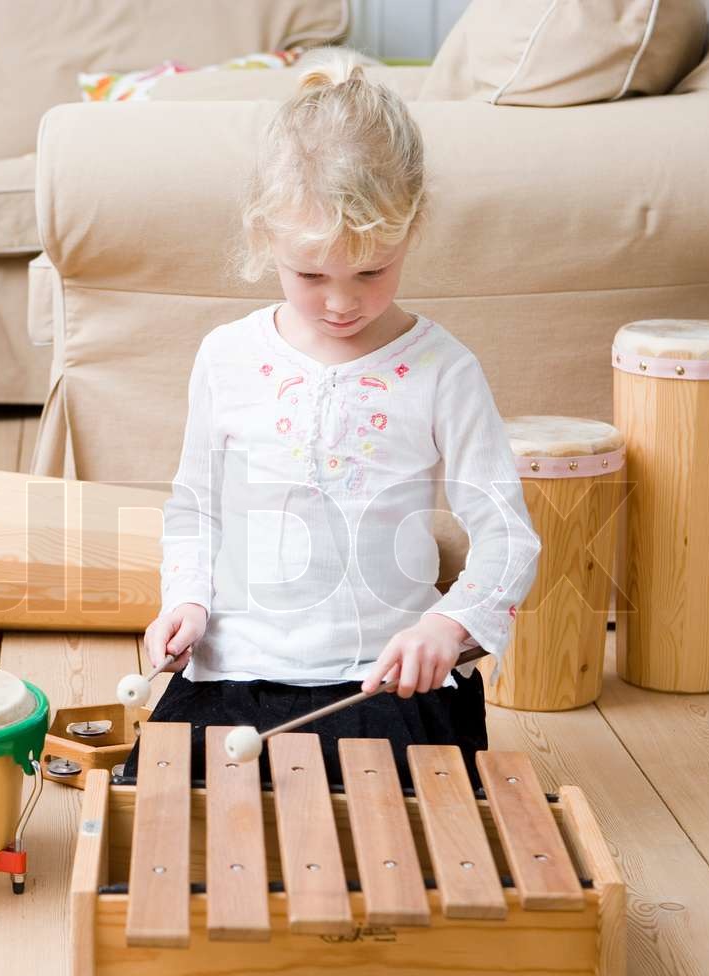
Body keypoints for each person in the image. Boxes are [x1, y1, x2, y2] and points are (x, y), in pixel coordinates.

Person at [138, 49, 541, 787]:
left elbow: (509, 537)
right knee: (177, 819)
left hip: (379, 681)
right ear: (264, 236)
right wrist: (186, 600)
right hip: (233, 674)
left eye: (371, 271)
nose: (341, 302)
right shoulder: (226, 356)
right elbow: (196, 508)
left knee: (391, 832)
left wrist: (445, 625)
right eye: (311, 273)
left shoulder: (443, 369)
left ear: (412, 229)